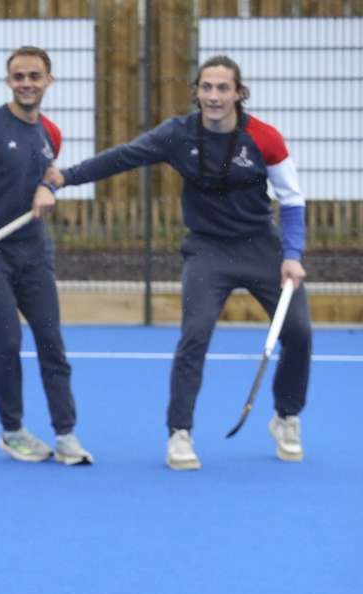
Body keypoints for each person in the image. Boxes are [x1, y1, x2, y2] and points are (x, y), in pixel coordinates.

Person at [46, 55, 311, 470]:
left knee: (298, 332)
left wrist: (293, 256)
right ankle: (179, 434)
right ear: (197, 92)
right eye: (206, 88)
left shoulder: (265, 138)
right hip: (207, 250)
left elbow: (292, 200)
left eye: (223, 88)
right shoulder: (177, 135)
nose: (214, 96)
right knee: (195, 335)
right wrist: (66, 177)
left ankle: (286, 416)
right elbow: (123, 157)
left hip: (262, 247)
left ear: (239, 93)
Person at [0, 46, 93, 466]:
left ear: (49, 81)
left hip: (32, 252)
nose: (27, 83)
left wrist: (52, 188)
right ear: (9, 81)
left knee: (52, 343)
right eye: (19, 76)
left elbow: (49, 180)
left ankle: (66, 435)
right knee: (6, 341)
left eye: (35, 76)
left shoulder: (50, 135)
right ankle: (12, 431)